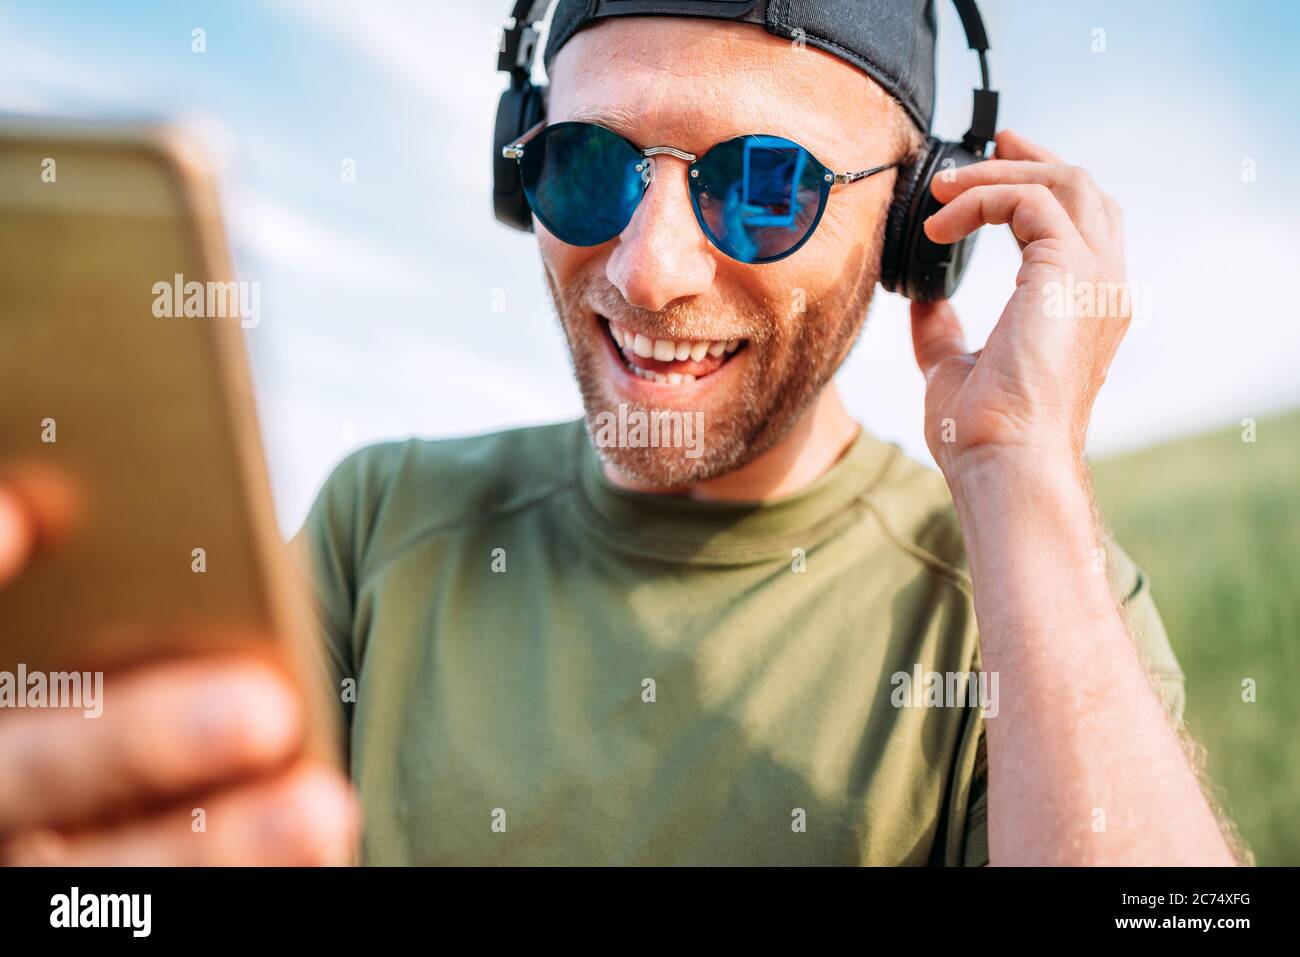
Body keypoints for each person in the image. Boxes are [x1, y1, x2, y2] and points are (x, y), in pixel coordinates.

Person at [0, 1, 1240, 865]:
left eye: (765, 185)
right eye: (586, 166)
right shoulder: (381, 521)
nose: (648, 273)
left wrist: (1019, 472)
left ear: (921, 230)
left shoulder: (1034, 604)